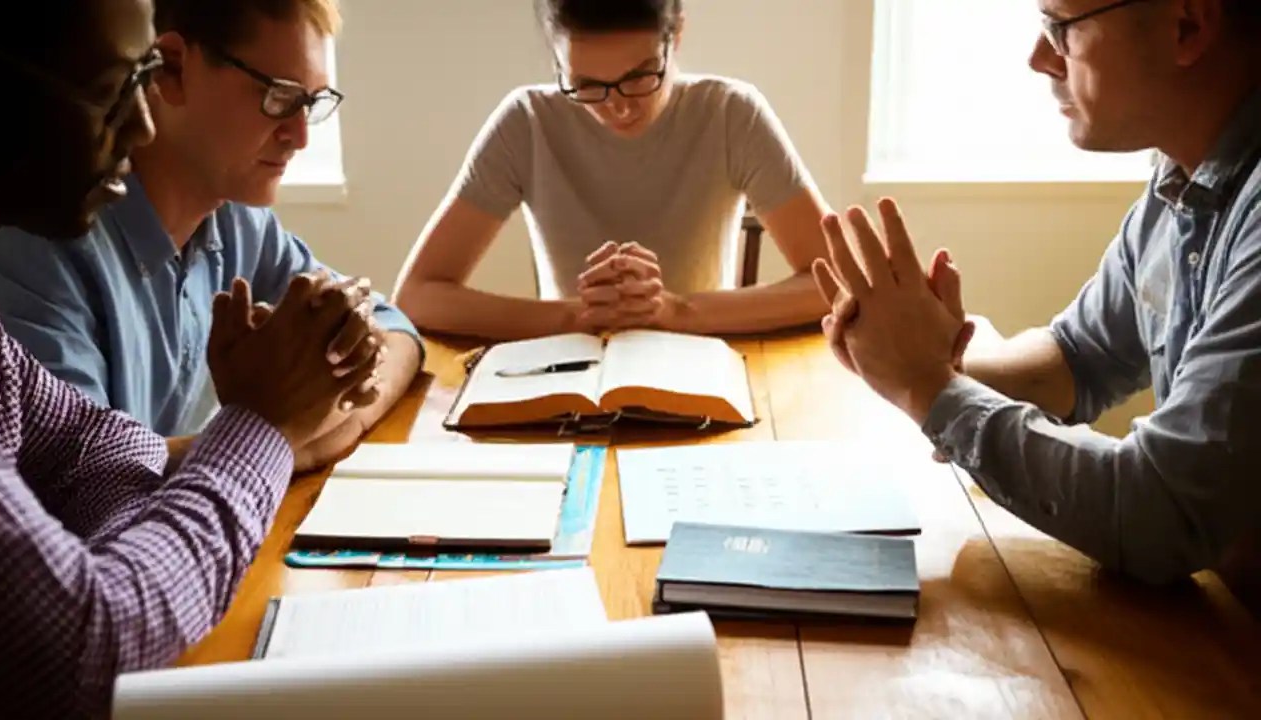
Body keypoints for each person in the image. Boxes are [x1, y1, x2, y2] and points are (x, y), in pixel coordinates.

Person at [0, 0, 384, 716]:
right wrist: (264, 427)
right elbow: (86, 647)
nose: (140, 125)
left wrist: (279, 423)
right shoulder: (29, 257)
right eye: (114, 86)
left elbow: (86, 451)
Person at [815, 0, 1261, 585]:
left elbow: (1162, 511)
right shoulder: (1179, 180)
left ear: (1187, 26)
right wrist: (929, 351)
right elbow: (1077, 358)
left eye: (1061, 27)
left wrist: (928, 384)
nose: (1038, 58)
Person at [0, 0, 422, 472]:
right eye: (279, 96)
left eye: (310, 104)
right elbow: (79, 481)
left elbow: (394, 327)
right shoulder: (35, 244)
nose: (300, 136)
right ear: (171, 69)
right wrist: (281, 438)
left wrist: (311, 434)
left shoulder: (235, 219)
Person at [393, 0, 831, 340]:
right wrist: (573, 314)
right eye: (586, 85)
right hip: (571, 368)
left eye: (640, 77)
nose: (618, 107)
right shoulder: (526, 121)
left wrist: (677, 310)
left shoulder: (730, 113)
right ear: (557, 65)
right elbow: (418, 294)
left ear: (675, 36)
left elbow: (834, 280)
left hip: (698, 360)